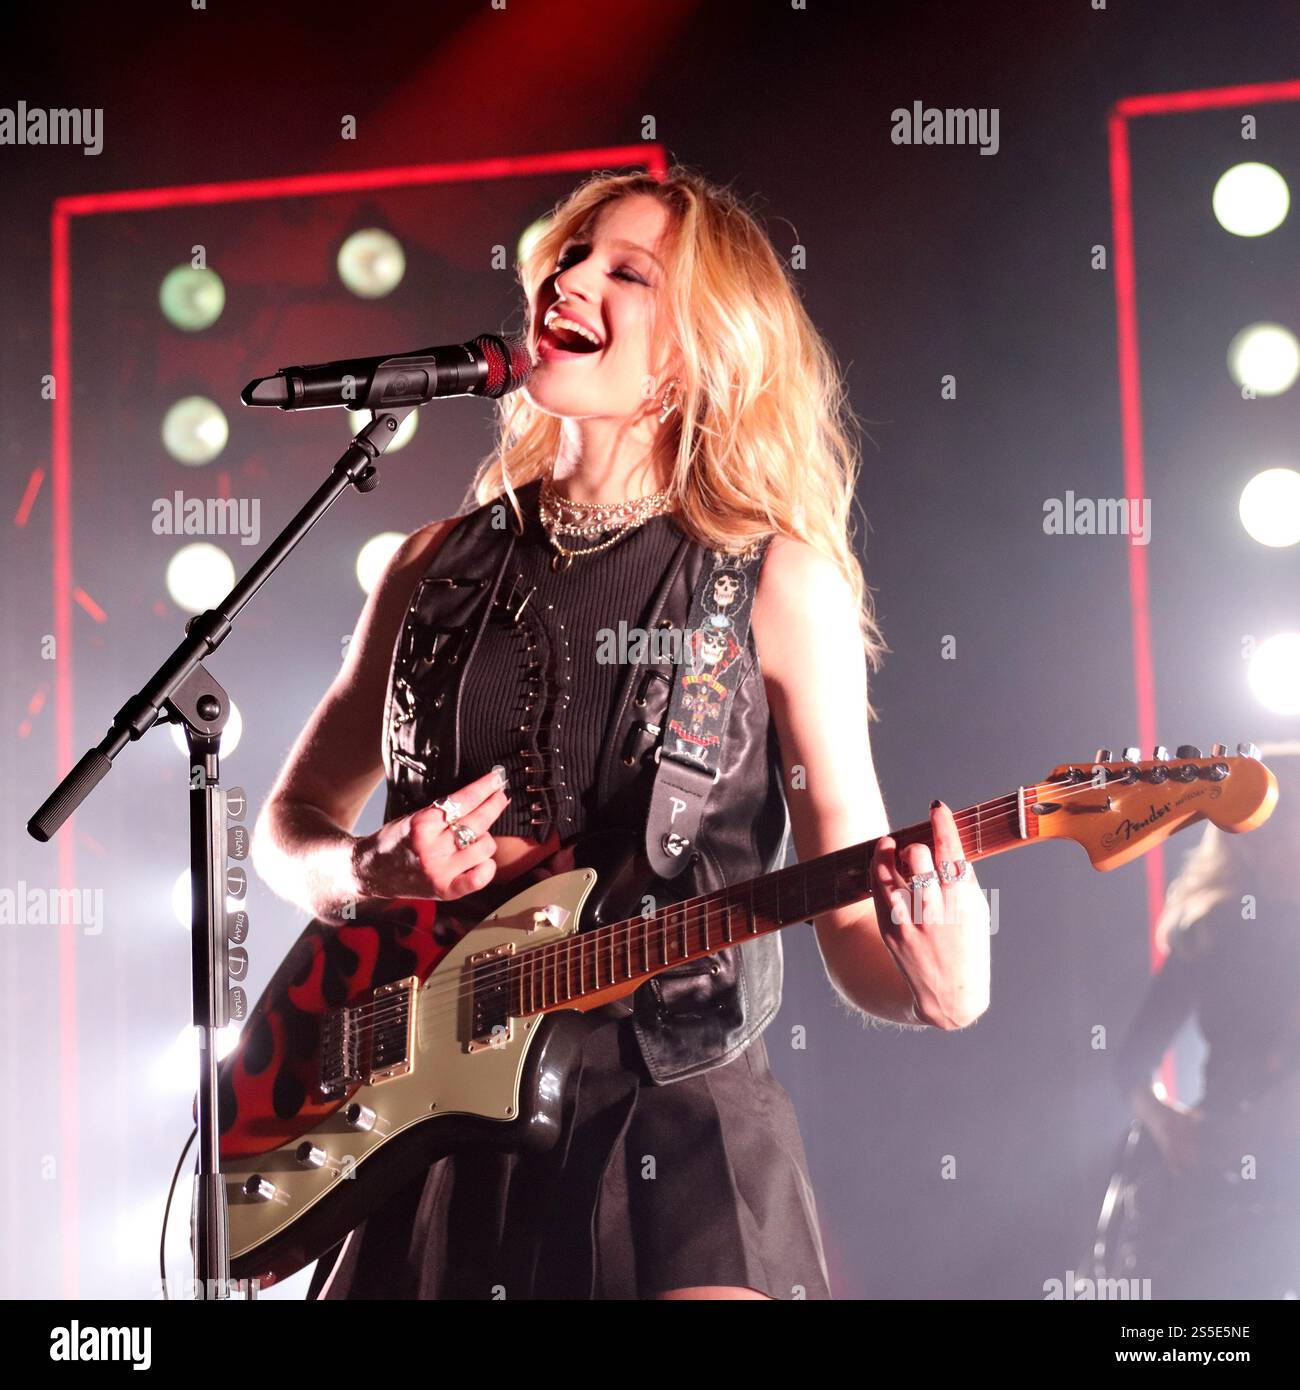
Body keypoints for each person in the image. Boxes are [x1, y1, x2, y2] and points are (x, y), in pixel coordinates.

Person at [250, 165, 991, 1301]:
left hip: (673, 1115)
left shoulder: (771, 584)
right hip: (427, 1117)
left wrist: (940, 987)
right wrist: (364, 868)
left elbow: (848, 902)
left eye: (627, 270)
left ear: (697, 351)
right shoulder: (428, 568)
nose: (572, 276)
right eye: (571, 253)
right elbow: (284, 830)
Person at [1112, 741, 1300, 1298]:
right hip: (1224, 1176)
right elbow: (1132, 1063)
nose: (1273, 833)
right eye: (1257, 819)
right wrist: (1167, 1124)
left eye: (1287, 813)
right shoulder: (1212, 932)